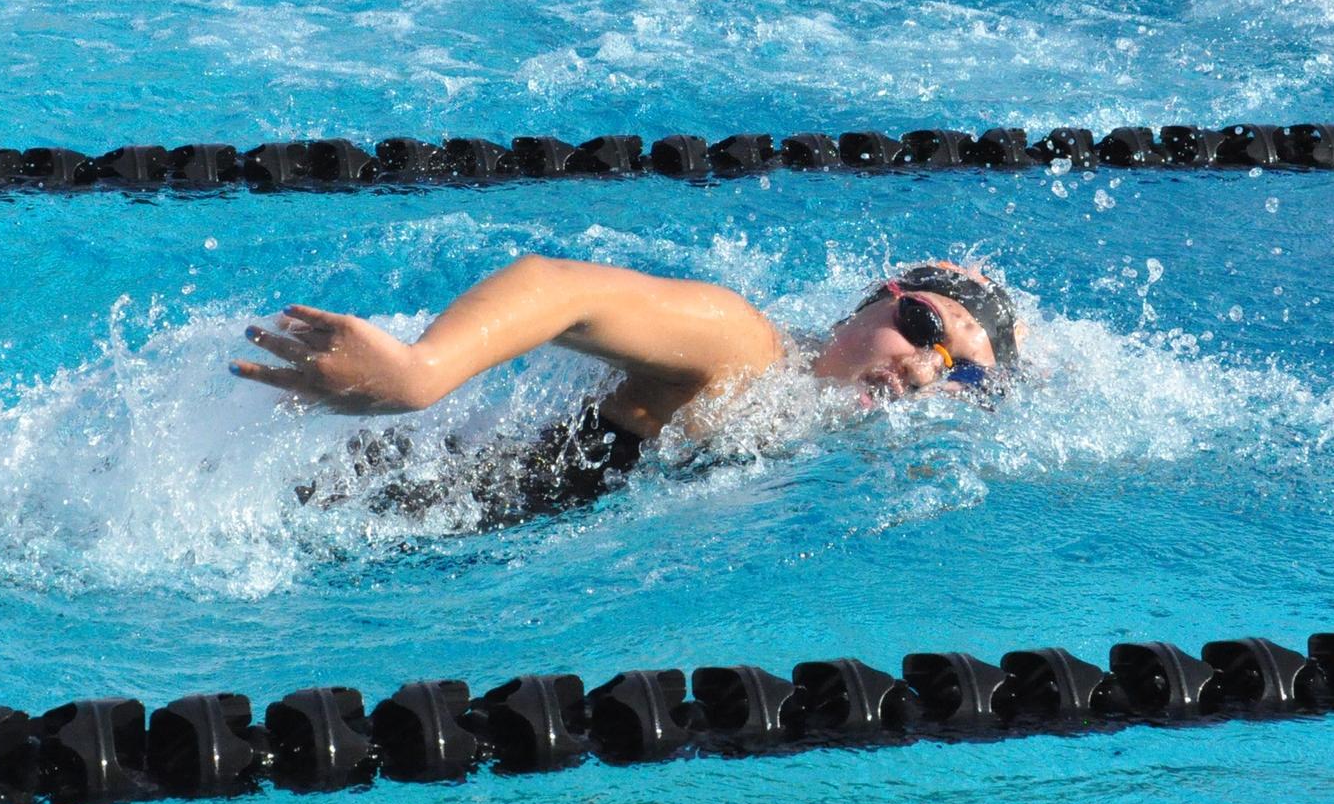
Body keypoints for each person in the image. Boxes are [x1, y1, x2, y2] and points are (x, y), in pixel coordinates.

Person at [231, 255, 1021, 523]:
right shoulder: (743, 346)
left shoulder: (810, 423)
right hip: (340, 484)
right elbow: (558, 286)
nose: (924, 368)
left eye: (961, 371)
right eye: (923, 328)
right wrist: (420, 371)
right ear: (877, 297)